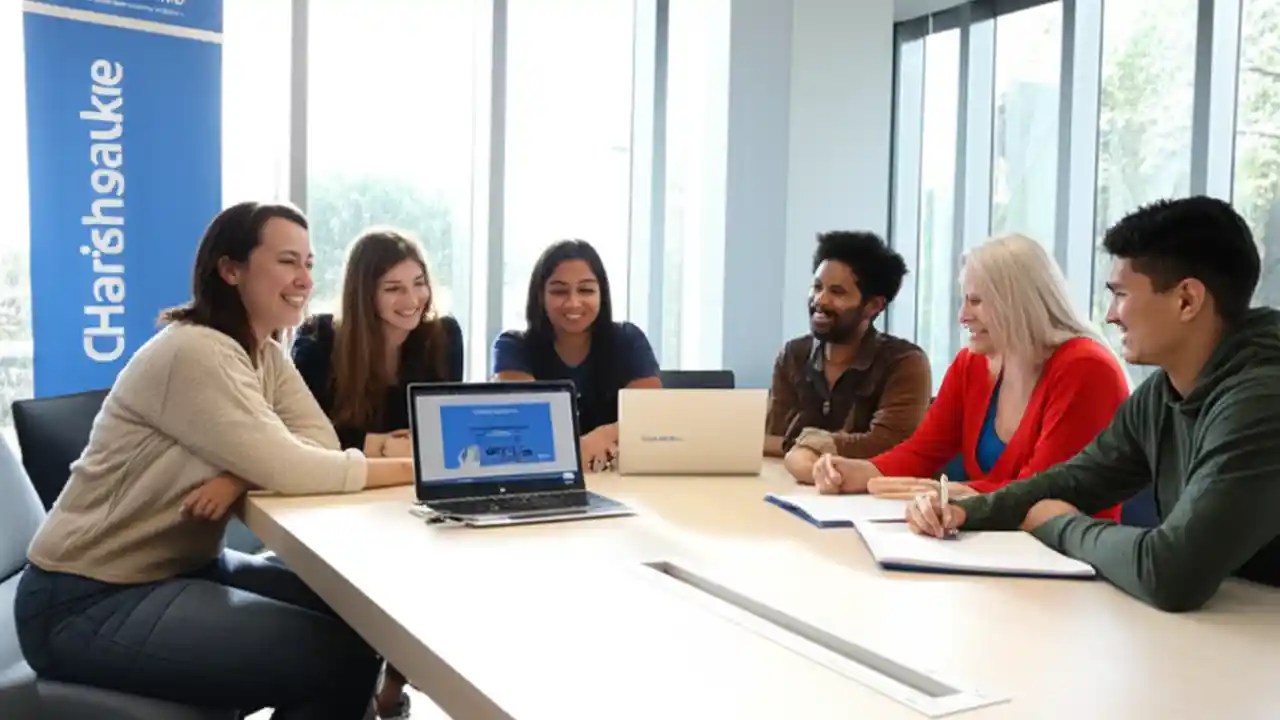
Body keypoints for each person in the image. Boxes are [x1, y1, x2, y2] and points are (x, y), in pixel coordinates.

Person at [13, 201, 415, 717]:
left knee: (362, 618)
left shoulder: (262, 352)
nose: (305, 279)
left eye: (309, 263)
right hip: (85, 598)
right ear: (230, 270)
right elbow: (294, 466)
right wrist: (414, 470)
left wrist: (241, 473)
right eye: (287, 261)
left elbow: (317, 446)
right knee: (338, 658)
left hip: (182, 567)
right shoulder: (197, 351)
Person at [907, 197, 1280, 612]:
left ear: (1187, 301)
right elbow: (1080, 478)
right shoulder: (1165, 391)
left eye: (1121, 295)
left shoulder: (1262, 401)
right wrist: (967, 511)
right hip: (1239, 619)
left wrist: (1059, 525)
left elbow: (1172, 573)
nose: (1111, 316)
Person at [799, 234, 1130, 523]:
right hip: (998, 544)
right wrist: (862, 471)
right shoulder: (971, 364)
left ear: (1016, 303)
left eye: (976, 301)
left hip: (1065, 556)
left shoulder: (1086, 368)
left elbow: (1042, 492)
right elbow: (922, 451)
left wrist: (952, 495)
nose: (963, 316)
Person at [291, 228, 461, 719]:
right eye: (394, 288)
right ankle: (370, 690)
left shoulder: (443, 335)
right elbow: (304, 433)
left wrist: (372, 444)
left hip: (408, 490)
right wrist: (382, 444)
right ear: (364, 292)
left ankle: (391, 688)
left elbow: (442, 425)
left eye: (419, 283)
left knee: (432, 564)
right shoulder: (319, 339)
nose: (412, 300)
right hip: (338, 496)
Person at [492, 239, 660, 471]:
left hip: (617, 476)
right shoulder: (513, 346)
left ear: (602, 294)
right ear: (540, 296)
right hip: (544, 477)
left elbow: (651, 415)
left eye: (586, 290)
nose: (573, 303)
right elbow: (524, 425)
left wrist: (605, 434)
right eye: (559, 291)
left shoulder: (628, 339)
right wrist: (584, 447)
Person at [765, 231, 930, 460]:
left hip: (872, 482)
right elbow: (773, 437)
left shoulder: (904, 362)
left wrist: (810, 446)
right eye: (817, 287)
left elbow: (889, 445)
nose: (820, 300)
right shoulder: (793, 355)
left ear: (873, 306)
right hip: (794, 479)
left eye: (837, 292)